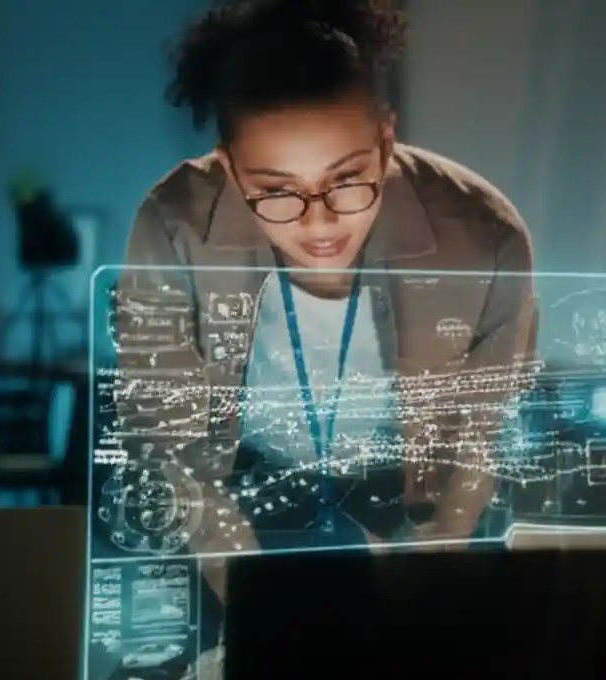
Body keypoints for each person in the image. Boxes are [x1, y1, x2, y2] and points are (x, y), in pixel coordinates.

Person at [111, 0, 537, 598]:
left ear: (386, 142)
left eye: (346, 179)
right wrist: (251, 601)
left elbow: (486, 432)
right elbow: (167, 443)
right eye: (277, 192)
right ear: (229, 169)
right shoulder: (175, 225)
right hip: (240, 497)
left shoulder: (482, 233)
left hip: (410, 504)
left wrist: (437, 568)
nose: (319, 223)